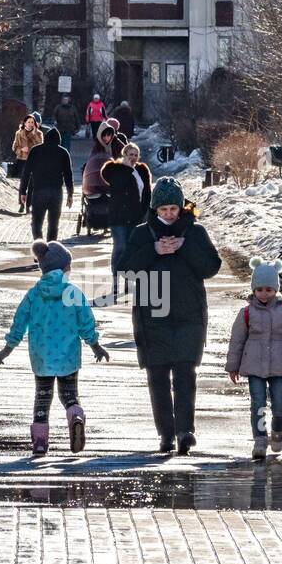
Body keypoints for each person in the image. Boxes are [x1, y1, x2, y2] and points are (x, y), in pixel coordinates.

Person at [117, 177, 222, 455]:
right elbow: (125, 270)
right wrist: (152, 251)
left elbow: (211, 267)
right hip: (152, 315)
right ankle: (166, 434)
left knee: (186, 374)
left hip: (189, 314)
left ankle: (185, 431)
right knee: (158, 376)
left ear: (181, 207)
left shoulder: (195, 232)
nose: (168, 214)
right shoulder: (142, 234)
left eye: (173, 209)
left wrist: (184, 247)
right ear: (155, 209)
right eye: (163, 210)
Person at [0, 240, 110, 456]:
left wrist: (6, 349)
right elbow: (86, 323)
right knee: (69, 394)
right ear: (65, 269)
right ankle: (75, 416)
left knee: (42, 398)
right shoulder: (73, 293)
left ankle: (39, 443)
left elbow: (19, 323)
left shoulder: (34, 294)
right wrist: (96, 346)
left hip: (41, 356)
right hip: (68, 356)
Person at [225, 258, 282, 460]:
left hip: (280, 365)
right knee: (258, 403)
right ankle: (260, 440)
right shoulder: (246, 313)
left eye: (269, 290)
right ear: (253, 290)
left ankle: (277, 431)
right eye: (259, 289)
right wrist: (232, 367)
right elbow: (237, 341)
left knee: (279, 403)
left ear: (275, 290)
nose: (264, 294)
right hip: (254, 366)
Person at [101, 141, 152, 290]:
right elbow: (117, 186)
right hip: (118, 216)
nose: (133, 158)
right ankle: (116, 279)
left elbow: (147, 191)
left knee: (132, 248)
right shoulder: (116, 169)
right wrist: (126, 169)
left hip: (136, 216)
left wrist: (145, 212)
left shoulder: (142, 170)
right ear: (124, 155)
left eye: (136, 155)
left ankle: (129, 278)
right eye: (131, 154)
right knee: (120, 246)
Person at [19, 127, 74, 242]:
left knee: (36, 223)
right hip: (56, 193)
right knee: (53, 225)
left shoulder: (35, 151)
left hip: (39, 191)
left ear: (45, 138)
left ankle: (39, 250)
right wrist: (70, 194)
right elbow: (68, 175)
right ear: (58, 140)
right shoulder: (63, 152)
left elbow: (26, 173)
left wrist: (23, 192)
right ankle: (50, 251)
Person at [81, 118, 125, 196]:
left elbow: (125, 153)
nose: (106, 138)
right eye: (103, 135)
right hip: (100, 175)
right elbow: (92, 159)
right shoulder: (97, 146)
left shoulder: (117, 143)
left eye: (108, 135)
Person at [12, 115, 44, 213]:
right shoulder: (19, 133)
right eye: (28, 122)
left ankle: (28, 205)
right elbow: (14, 147)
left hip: (34, 161)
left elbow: (41, 147)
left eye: (32, 122)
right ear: (24, 123)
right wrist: (21, 150)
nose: (30, 124)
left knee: (31, 183)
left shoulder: (39, 133)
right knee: (23, 182)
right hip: (22, 160)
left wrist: (33, 135)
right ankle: (21, 204)